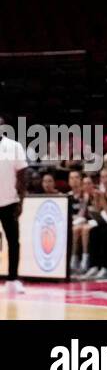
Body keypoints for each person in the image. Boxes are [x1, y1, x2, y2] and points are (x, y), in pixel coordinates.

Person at [0, 121, 28, 294]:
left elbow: (22, 174)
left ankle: (13, 279)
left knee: (13, 241)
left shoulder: (14, 146)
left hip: (9, 201)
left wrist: (21, 199)